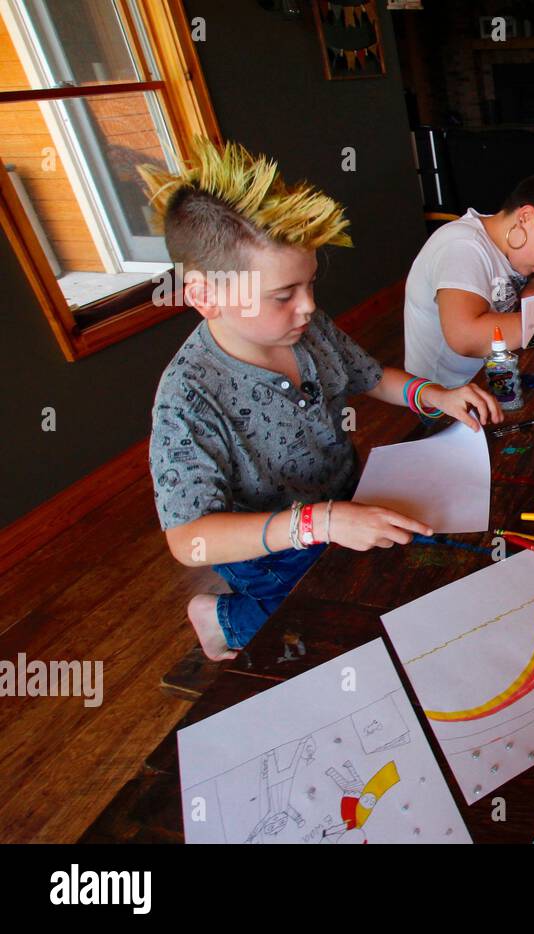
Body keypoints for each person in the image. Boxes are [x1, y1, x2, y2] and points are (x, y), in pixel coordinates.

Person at [143, 140, 502, 660]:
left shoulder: (301, 330)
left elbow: (370, 375)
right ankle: (220, 617)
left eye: (309, 284)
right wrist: (321, 523)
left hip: (346, 496)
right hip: (269, 548)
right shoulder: (187, 399)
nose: (308, 306)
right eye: (283, 295)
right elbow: (188, 539)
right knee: (331, 626)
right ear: (204, 295)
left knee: (418, 574)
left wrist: (436, 396)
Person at [404, 174, 534, 387]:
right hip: (447, 398)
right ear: (525, 217)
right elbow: (464, 336)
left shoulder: (501, 235)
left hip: (497, 374)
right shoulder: (462, 246)